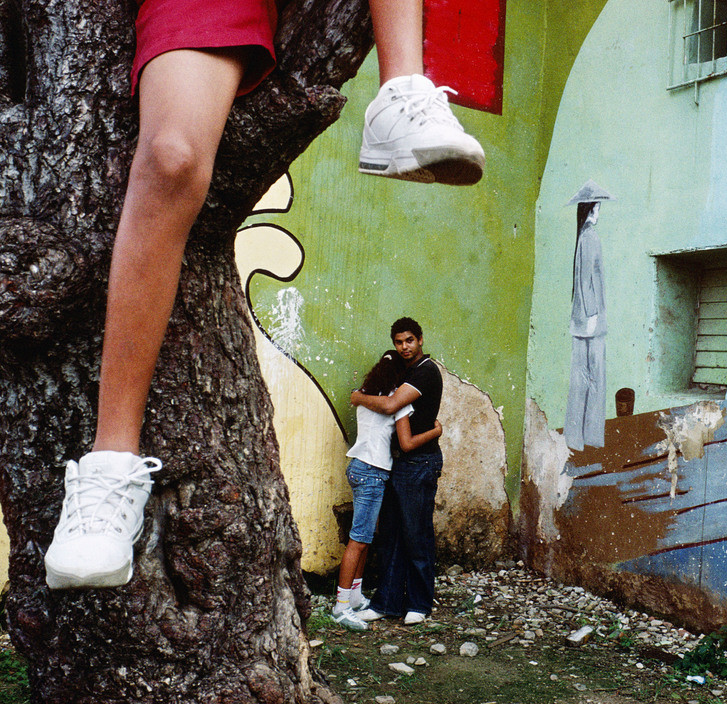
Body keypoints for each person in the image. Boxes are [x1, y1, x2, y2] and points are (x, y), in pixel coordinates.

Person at [44, 1, 483, 589]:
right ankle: (110, 465)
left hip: (403, 466)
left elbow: (392, 411)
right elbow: (381, 405)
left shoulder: (421, 372)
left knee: (406, 539)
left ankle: (401, 87)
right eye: (398, 337)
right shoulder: (400, 369)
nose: (401, 342)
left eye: (407, 337)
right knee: (171, 158)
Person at [333, 350, 442, 631]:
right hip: (373, 472)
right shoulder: (396, 403)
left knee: (369, 537)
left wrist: (358, 396)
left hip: (359, 467)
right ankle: (341, 606)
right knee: (361, 539)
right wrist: (435, 432)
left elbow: (378, 405)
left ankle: (357, 597)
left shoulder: (365, 398)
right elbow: (405, 443)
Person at [563, 180, 614, 451]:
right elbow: (587, 281)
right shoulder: (590, 237)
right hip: (591, 321)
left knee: (581, 379)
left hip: (581, 320)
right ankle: (591, 436)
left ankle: (576, 437)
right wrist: (592, 313)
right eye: (598, 207)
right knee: (595, 379)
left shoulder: (581, 237)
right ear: (593, 208)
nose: (600, 211)